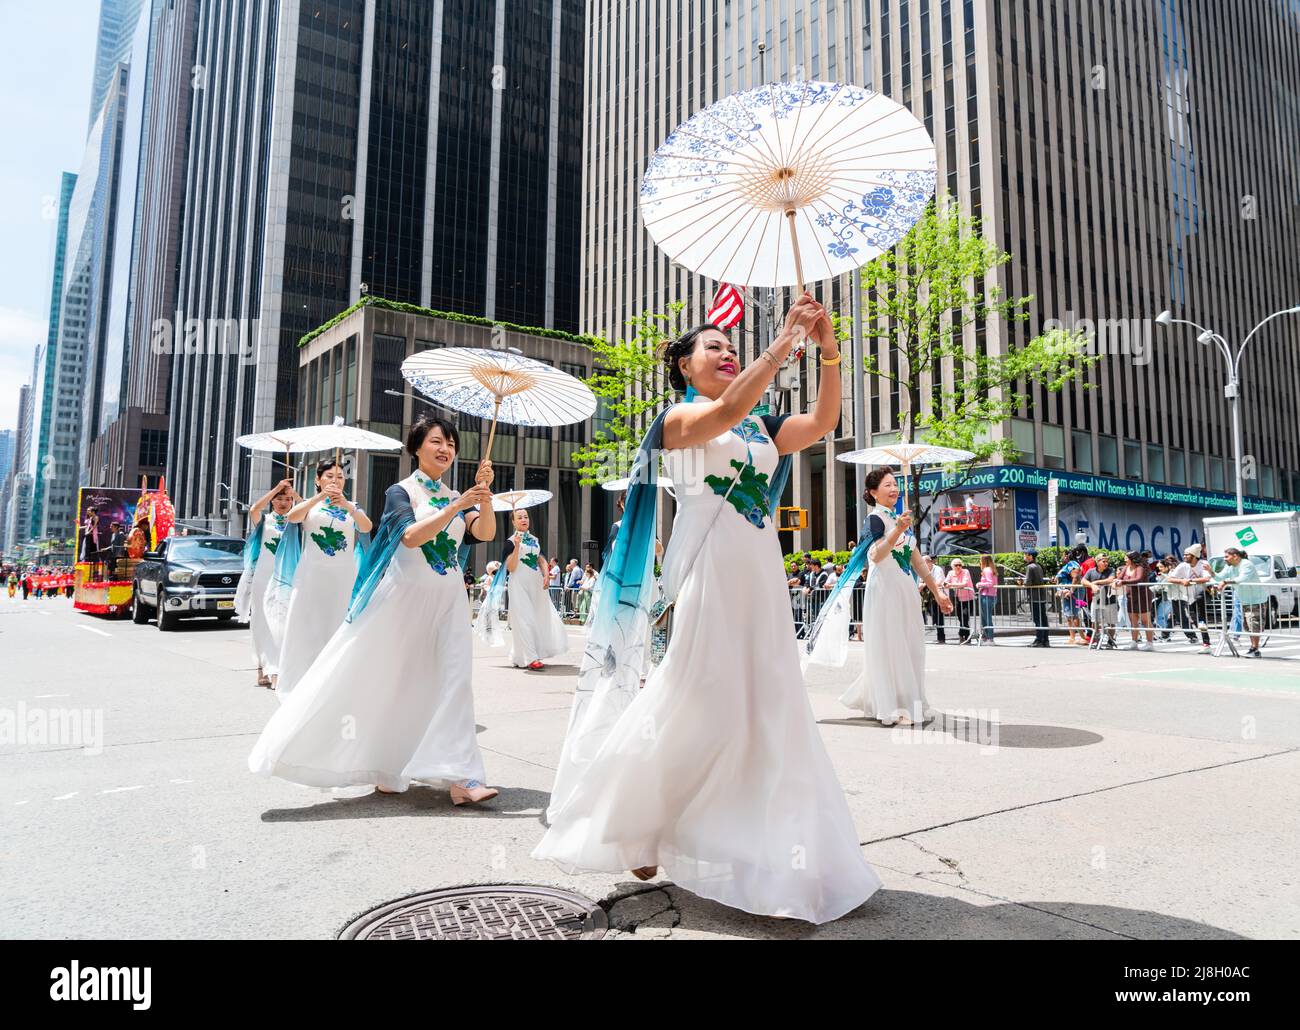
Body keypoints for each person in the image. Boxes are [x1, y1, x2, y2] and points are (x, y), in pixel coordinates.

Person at [535, 293, 883, 924]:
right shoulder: (679, 418)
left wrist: (829, 349)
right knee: (696, 694)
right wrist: (784, 342)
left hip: (759, 569)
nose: (727, 353)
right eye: (714, 347)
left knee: (770, 700)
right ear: (683, 364)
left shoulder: (760, 424)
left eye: (731, 348)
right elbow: (726, 410)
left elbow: (822, 422)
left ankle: (778, 859)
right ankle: (631, 821)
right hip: (707, 567)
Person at [249, 415, 500, 803]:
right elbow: (411, 537)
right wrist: (457, 505)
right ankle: (388, 763)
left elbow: (484, 533)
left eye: (451, 444)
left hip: (450, 599)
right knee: (389, 681)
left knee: (455, 681)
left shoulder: (455, 495)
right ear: (417, 447)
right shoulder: (401, 492)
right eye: (436, 441)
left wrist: (483, 498)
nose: (445, 449)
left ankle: (462, 777)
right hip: (403, 599)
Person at [806, 469, 954, 725]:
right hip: (884, 589)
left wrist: (938, 592)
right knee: (890, 647)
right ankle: (890, 706)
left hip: (906, 590)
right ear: (873, 492)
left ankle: (910, 700)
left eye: (895, 484)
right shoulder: (874, 520)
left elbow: (918, 562)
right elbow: (875, 555)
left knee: (911, 645)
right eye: (887, 485)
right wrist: (897, 530)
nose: (894, 489)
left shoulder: (901, 519)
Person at [271, 458, 373, 695]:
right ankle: (300, 682)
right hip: (311, 576)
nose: (336, 480)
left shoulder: (352, 506)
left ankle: (334, 684)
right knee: (308, 626)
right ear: (318, 480)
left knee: (338, 626)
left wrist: (347, 505)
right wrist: (319, 497)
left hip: (343, 577)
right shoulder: (310, 506)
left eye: (340, 476)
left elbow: (366, 527)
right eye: (329, 476)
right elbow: (293, 517)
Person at [235, 478, 299, 687]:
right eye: (279, 499)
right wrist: (276, 489)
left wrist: (294, 493)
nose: (283, 503)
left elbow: (309, 510)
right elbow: (254, 509)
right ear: (272, 501)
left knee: (282, 622)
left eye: (287, 499)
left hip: (287, 578)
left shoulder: (296, 521)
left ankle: (278, 669)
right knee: (261, 622)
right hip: (263, 577)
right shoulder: (264, 521)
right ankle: (262, 667)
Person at [498, 508, 569, 670]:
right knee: (525, 619)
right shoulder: (510, 542)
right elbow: (511, 567)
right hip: (519, 583)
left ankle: (519, 656)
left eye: (526, 517)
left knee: (537, 618)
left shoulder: (534, 540)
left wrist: (546, 575)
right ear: (513, 522)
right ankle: (531, 658)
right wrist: (517, 546)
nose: (524, 519)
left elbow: (541, 559)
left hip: (536, 584)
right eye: (519, 517)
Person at [1210, 547, 1267, 657]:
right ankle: (1253, 648)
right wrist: (1211, 571)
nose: (1224, 559)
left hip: (1256, 600)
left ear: (1235, 556)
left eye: (1226, 556)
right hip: (1244, 600)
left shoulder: (1246, 564)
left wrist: (1225, 582)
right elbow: (1219, 577)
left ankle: (1255, 650)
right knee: (1248, 626)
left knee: (1253, 625)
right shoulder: (1229, 566)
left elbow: (1242, 579)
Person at [1168, 544, 1212, 653]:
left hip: (1202, 594)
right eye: (1184, 554)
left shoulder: (1203, 563)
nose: (1184, 556)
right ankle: (1205, 642)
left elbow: (1207, 578)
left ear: (1194, 555)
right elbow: (1170, 578)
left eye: (1187, 555)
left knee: (1201, 619)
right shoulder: (1183, 565)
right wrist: (1182, 581)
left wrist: (1191, 581)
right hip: (1189, 597)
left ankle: (1206, 643)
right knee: (1196, 620)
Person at [1118, 550, 1155, 650]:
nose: (1125, 559)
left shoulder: (1140, 568)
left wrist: (1123, 582)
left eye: (1127, 558)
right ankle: (1134, 642)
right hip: (1130, 597)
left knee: (1145, 620)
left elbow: (1138, 579)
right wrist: (1116, 581)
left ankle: (1150, 643)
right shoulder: (1125, 568)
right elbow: (1119, 577)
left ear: (1132, 559)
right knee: (1133, 620)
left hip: (1142, 597)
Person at [1083, 553, 1119, 648]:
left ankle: (1110, 641)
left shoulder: (1111, 570)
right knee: (1095, 622)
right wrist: (1091, 585)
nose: (1106, 563)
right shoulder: (1091, 571)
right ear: (1097, 562)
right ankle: (1097, 640)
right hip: (1096, 600)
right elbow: (1083, 581)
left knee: (1111, 622)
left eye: (1107, 561)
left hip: (1110, 600)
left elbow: (1111, 579)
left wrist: (1096, 582)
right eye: (1104, 561)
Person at [1023, 550, 1050, 647]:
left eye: (1025, 554)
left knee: (1037, 619)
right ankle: (1045, 640)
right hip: (1041, 596)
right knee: (1043, 618)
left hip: (1034, 596)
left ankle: (1039, 639)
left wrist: (1021, 583)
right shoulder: (1038, 566)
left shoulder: (1030, 567)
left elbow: (1028, 583)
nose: (1024, 556)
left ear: (1030, 556)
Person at [945, 558, 975, 643]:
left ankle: (963, 635)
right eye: (956, 565)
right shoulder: (950, 573)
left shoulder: (966, 571)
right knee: (960, 618)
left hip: (968, 598)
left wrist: (951, 585)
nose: (958, 567)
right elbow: (945, 582)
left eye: (960, 565)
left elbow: (964, 584)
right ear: (952, 566)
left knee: (965, 617)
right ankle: (965, 636)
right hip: (958, 598)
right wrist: (946, 584)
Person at [920, 555, 947, 643]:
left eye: (924, 563)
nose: (922, 565)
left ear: (929, 562)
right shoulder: (923, 570)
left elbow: (938, 582)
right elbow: (920, 582)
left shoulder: (937, 569)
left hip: (938, 596)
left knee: (939, 617)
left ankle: (941, 638)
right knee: (933, 615)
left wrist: (925, 584)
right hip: (927, 597)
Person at [976, 555, 998, 643]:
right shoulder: (991, 569)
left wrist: (979, 584)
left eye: (980, 561)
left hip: (987, 596)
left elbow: (990, 583)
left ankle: (990, 638)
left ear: (983, 561)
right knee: (985, 617)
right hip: (990, 595)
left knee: (986, 617)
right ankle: (986, 637)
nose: (979, 563)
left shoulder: (987, 570)